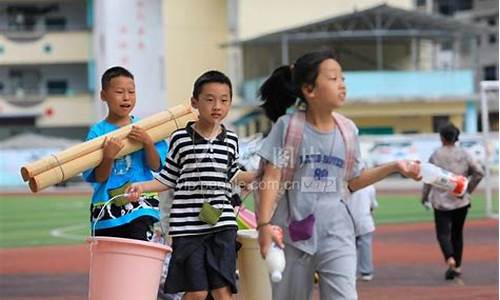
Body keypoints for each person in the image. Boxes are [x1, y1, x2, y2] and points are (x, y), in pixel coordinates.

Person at [255, 50, 421, 300]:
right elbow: (272, 176)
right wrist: (264, 225)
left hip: (337, 233)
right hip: (291, 235)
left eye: (343, 78)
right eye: (333, 78)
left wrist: (395, 167)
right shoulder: (289, 128)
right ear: (310, 90)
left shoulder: (348, 130)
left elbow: (353, 181)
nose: (342, 85)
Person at [126, 70, 254, 300]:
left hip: (222, 223)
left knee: (222, 292)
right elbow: (168, 177)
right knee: (196, 293)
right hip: (187, 229)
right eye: (210, 99)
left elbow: (234, 175)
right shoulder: (180, 138)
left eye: (224, 100)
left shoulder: (232, 140)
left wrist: (258, 175)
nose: (217, 106)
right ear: (195, 102)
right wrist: (142, 187)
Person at [82, 66, 168, 241]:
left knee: (140, 258)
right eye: (119, 92)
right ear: (103, 95)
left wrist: (147, 142)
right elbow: (99, 177)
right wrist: (108, 156)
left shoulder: (146, 127)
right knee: (111, 264)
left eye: (131, 91)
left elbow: (156, 166)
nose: (126, 97)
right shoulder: (97, 133)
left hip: (140, 206)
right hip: (107, 212)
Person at [421, 123, 484, 280]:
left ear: (442, 138)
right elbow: (479, 172)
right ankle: (458, 266)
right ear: (457, 138)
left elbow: (428, 178)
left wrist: (424, 197)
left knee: (443, 233)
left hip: (441, 201)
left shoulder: (436, 155)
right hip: (460, 200)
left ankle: (449, 258)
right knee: (457, 234)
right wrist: (468, 190)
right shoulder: (464, 153)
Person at [347, 184, 378, 281]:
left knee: (348, 248)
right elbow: (373, 205)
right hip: (364, 220)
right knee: (365, 247)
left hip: (348, 220)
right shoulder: (369, 186)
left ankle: (350, 272)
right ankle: (366, 272)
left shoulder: (345, 184)